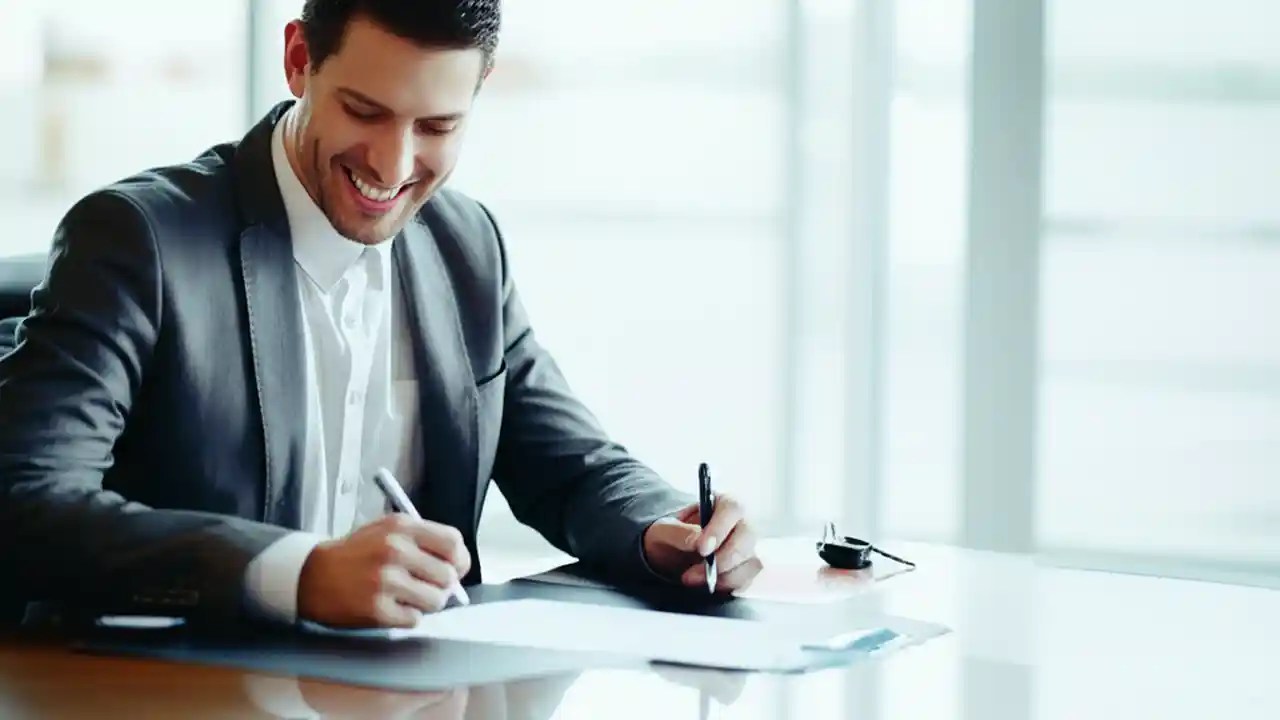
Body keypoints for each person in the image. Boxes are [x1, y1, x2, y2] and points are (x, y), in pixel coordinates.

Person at [0, 0, 763, 629]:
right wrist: (298, 575)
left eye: (437, 127)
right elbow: (24, 503)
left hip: (409, 697)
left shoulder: (468, 248)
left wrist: (666, 527)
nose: (394, 169)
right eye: (365, 111)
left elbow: (570, 468)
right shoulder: (141, 240)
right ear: (299, 59)